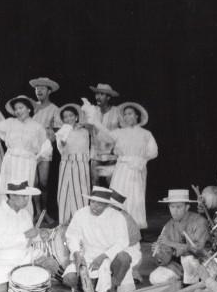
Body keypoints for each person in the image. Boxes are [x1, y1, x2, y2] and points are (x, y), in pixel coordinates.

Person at [0, 181, 61, 292]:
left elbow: (30, 238)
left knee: (52, 264)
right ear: (12, 196)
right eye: (24, 196)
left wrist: (41, 235)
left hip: (26, 256)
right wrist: (25, 235)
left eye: (27, 196)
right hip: (4, 261)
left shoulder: (25, 214)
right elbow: (2, 242)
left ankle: (18, 287)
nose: (27, 200)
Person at [85, 100, 158, 229]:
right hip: (122, 168)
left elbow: (153, 152)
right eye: (125, 114)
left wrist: (141, 160)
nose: (127, 117)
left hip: (136, 168)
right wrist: (95, 121)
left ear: (137, 116)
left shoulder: (146, 134)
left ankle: (135, 227)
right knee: (119, 194)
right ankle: (118, 226)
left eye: (130, 114)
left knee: (135, 196)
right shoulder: (119, 132)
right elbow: (106, 135)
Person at [64, 186, 134, 292]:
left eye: (100, 204)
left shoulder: (117, 217)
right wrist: (77, 254)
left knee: (124, 258)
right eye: (92, 202)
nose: (94, 206)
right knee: (69, 279)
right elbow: (72, 236)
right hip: (87, 255)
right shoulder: (80, 214)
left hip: (109, 257)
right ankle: (84, 287)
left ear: (107, 205)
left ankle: (112, 288)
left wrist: (103, 256)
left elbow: (123, 241)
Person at [0, 95, 48, 217]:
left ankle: (23, 219)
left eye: (21, 108)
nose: (18, 111)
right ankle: (3, 218)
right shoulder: (10, 122)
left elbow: (46, 147)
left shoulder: (37, 127)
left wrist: (37, 158)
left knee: (23, 190)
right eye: (16, 109)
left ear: (29, 109)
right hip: (10, 161)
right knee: (8, 188)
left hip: (27, 163)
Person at [155, 189, 210, 285]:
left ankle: (193, 286)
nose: (175, 211)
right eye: (172, 207)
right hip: (182, 267)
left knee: (188, 260)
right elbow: (166, 258)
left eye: (179, 207)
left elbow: (197, 250)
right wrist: (159, 253)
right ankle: (184, 286)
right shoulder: (168, 226)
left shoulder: (199, 221)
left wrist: (170, 243)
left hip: (203, 263)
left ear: (187, 207)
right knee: (155, 277)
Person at [54, 103, 90, 225]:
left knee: (82, 193)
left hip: (82, 165)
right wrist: (64, 135)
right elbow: (61, 149)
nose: (68, 119)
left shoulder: (84, 131)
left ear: (76, 117)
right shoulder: (61, 132)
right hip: (67, 163)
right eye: (65, 117)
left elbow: (86, 149)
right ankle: (65, 222)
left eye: (71, 116)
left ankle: (81, 223)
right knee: (65, 192)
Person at [30, 77, 60, 216]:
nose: (39, 91)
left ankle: (44, 212)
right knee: (33, 182)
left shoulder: (54, 109)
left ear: (49, 91)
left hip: (45, 150)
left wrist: (49, 136)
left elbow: (57, 132)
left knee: (43, 182)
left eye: (42, 88)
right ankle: (36, 212)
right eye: (37, 88)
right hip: (30, 149)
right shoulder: (31, 107)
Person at [84, 83, 122, 187]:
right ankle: (94, 204)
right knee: (95, 183)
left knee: (113, 184)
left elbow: (123, 133)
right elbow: (87, 130)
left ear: (108, 97)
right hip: (95, 155)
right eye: (97, 94)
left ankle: (112, 204)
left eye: (101, 94)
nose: (98, 97)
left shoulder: (117, 111)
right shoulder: (92, 110)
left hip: (112, 156)